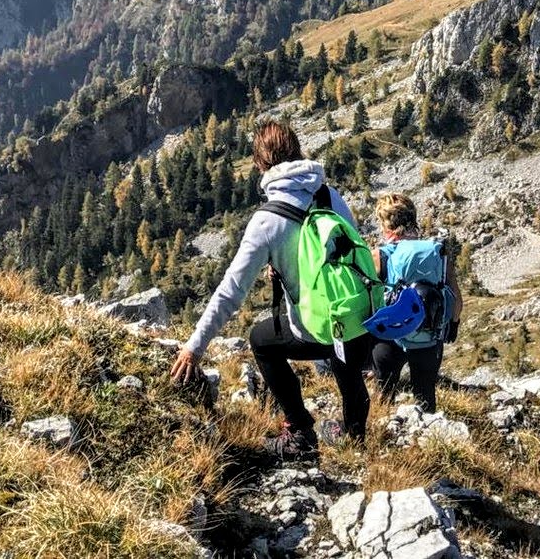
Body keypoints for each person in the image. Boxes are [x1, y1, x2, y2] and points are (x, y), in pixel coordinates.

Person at [170, 120, 374, 458]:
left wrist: (195, 346)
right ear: (297, 151)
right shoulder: (328, 194)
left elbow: (231, 290)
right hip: (357, 316)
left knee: (262, 341)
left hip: (315, 327)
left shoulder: (266, 221)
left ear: (259, 164)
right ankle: (355, 437)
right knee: (341, 336)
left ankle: (300, 432)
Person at [369, 193, 463, 412]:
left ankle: (381, 436)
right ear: (414, 218)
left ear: (385, 225)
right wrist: (453, 326)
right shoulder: (436, 251)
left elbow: (368, 298)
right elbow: (456, 297)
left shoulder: (379, 255)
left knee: (383, 395)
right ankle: (427, 435)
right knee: (425, 394)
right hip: (428, 336)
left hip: (389, 337)